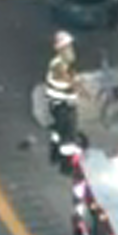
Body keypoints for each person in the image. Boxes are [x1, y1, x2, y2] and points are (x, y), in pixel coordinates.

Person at [44, 30, 85, 169]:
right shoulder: (58, 65)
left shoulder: (64, 63)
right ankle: (66, 164)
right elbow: (65, 77)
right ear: (60, 49)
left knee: (59, 130)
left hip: (61, 102)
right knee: (68, 131)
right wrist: (77, 86)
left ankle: (55, 154)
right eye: (67, 47)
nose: (70, 50)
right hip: (62, 103)